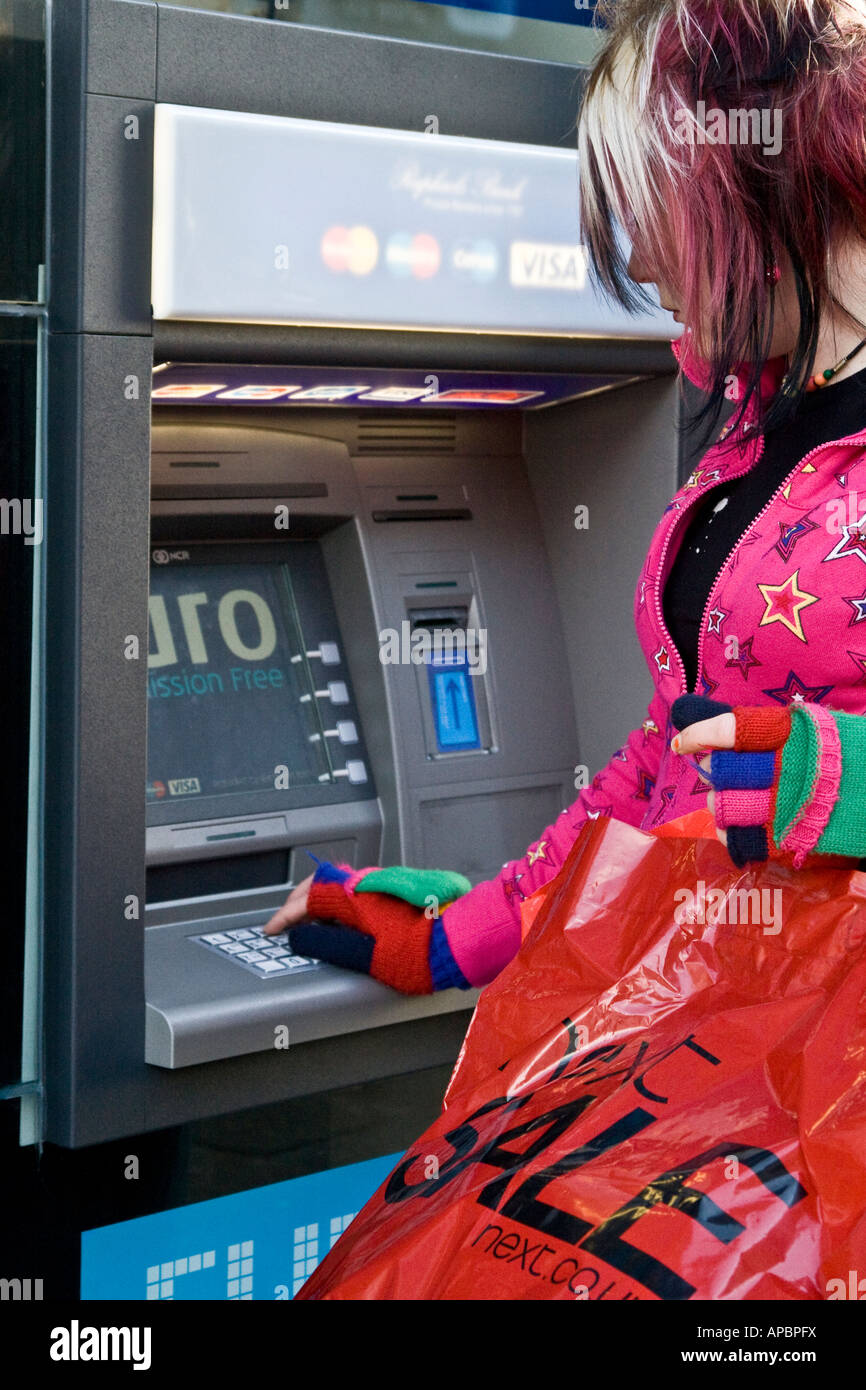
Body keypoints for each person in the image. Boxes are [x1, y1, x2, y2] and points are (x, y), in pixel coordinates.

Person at [264, 0, 866, 994]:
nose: (636, 263)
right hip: (721, 1049)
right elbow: (670, 764)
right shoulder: (753, 426)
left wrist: (844, 789)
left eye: (646, 207)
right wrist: (464, 931)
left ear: (749, 179)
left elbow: (798, 776)